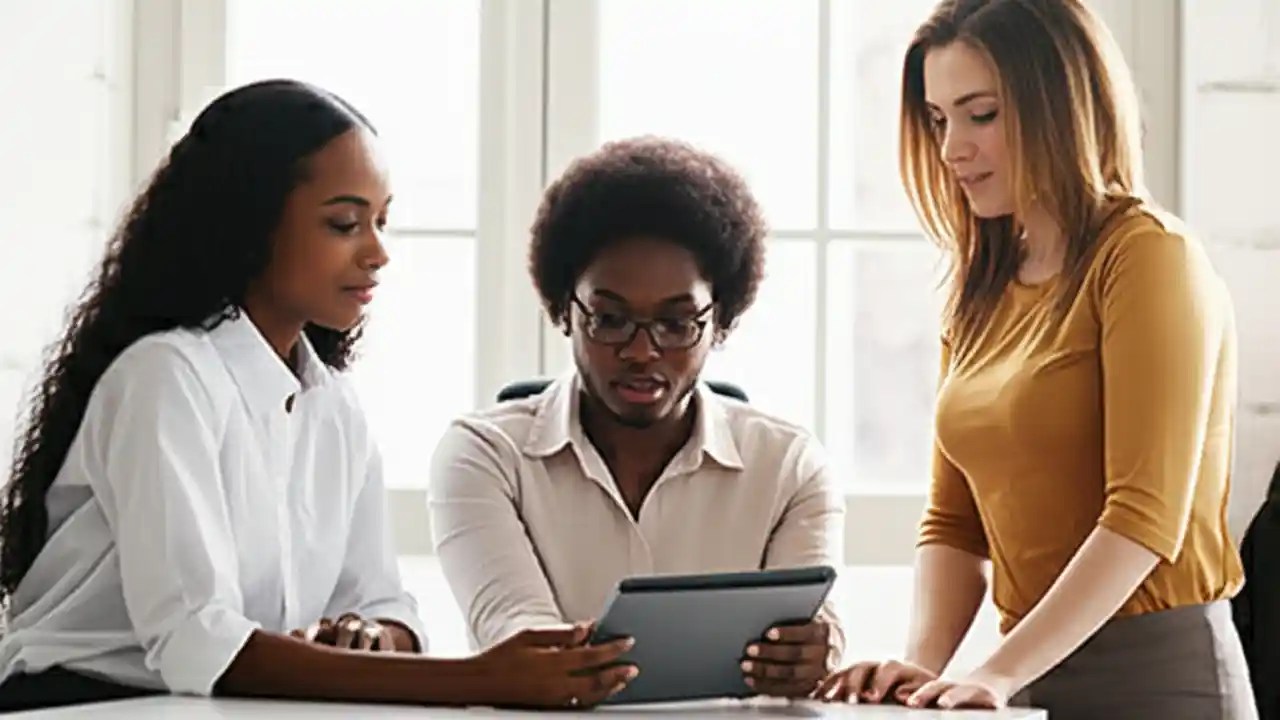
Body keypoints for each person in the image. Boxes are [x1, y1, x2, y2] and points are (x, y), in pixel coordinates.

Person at [0, 79, 635, 712]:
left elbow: (388, 604)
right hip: (78, 702)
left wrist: (370, 638)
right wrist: (478, 679)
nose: (379, 253)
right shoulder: (165, 377)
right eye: (344, 223)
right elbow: (196, 640)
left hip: (214, 705)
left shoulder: (332, 406)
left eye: (381, 222)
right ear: (247, 224)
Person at [818, 1, 1256, 718]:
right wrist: (922, 665)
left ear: (1062, 105)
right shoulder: (978, 286)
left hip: (1161, 684)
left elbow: (1144, 517)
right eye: (938, 120)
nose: (952, 147)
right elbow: (953, 525)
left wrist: (995, 671)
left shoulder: (1148, 257)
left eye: (980, 114)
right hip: (1026, 681)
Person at [428, 137, 845, 699]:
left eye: (676, 324)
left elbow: (817, 638)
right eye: (610, 318)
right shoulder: (484, 456)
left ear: (718, 320)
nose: (643, 352)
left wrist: (811, 654)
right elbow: (526, 646)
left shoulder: (788, 465)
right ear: (563, 310)